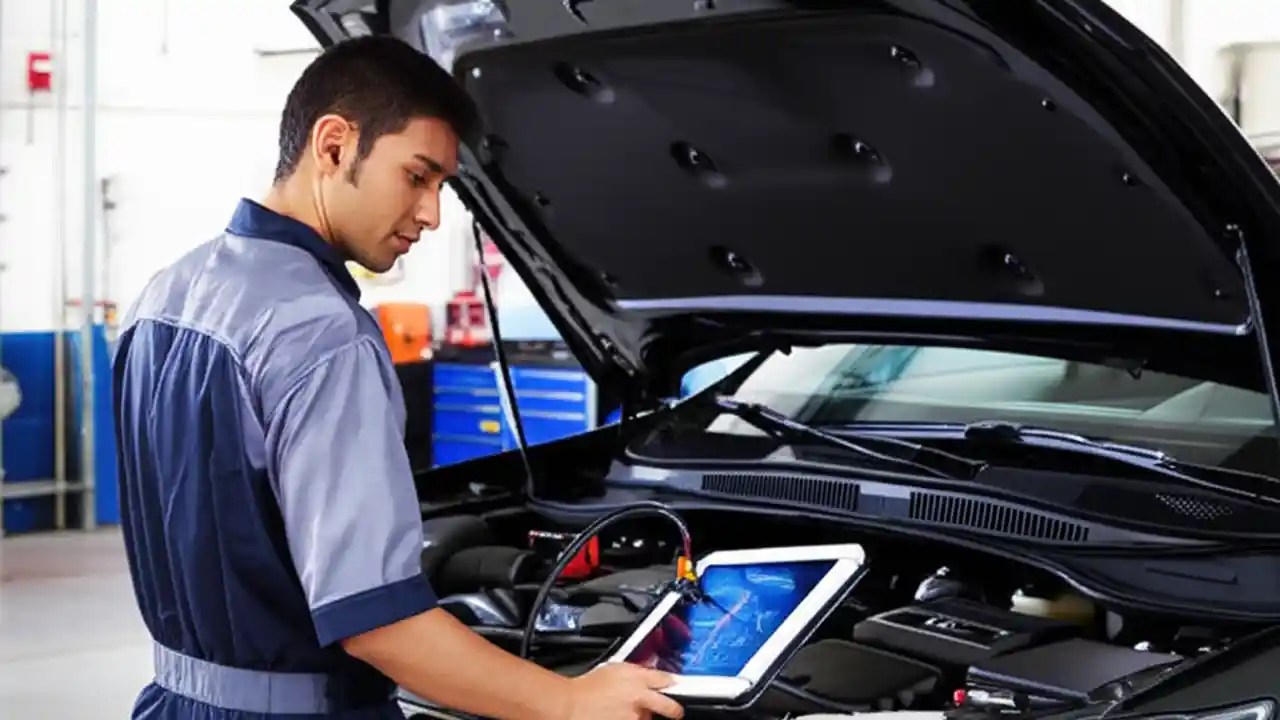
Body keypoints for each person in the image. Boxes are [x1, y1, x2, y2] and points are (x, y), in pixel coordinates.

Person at [111, 35, 686, 720]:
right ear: (332, 146)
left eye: (442, 186)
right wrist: (567, 702)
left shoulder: (163, 296)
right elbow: (376, 621)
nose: (432, 215)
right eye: (417, 176)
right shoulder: (321, 332)